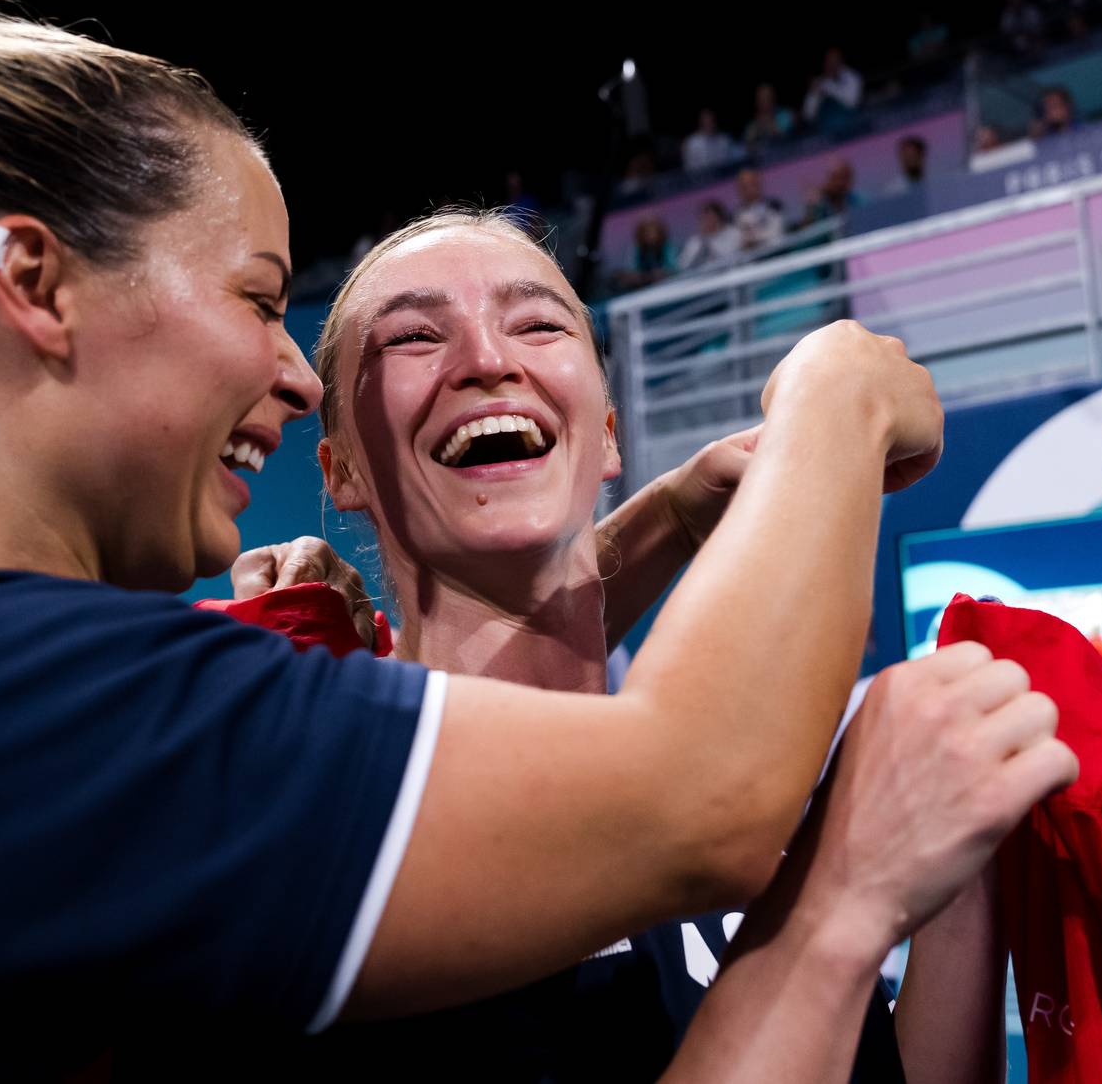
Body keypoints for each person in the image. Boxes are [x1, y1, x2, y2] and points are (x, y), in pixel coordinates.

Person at [0, 0, 1048, 1077]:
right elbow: (704, 791)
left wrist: (671, 518)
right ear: (35, 284)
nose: (294, 362)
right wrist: (837, 393)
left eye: (542, 321)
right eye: (263, 299)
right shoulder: (12, 706)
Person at [287, 209, 1047, 1080]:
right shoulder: (339, 836)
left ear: (608, 432)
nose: (491, 361)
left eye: (538, 323)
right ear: (340, 468)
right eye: (416, 336)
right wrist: (837, 399)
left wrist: (961, 873)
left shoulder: (760, 794)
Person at [802, 48, 864, 134]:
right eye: (829, 61)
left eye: (835, 60)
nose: (832, 64)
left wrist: (828, 86)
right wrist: (813, 94)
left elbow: (852, 102)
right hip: (825, 133)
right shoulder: (819, 82)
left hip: (851, 128)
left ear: (841, 61)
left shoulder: (852, 76)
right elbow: (808, 115)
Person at [613, 214, 673, 291]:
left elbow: (673, 268)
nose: (650, 236)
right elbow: (632, 269)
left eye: (653, 232)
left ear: (659, 232)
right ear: (641, 234)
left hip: (667, 286)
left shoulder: (666, 247)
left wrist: (661, 273)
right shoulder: (637, 249)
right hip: (643, 288)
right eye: (647, 233)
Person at [677, 201, 742, 271]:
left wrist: (709, 242)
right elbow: (683, 265)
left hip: (731, 272)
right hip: (703, 277)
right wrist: (703, 240)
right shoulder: (695, 241)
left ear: (719, 217)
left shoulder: (733, 232)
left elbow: (731, 257)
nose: (707, 221)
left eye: (710, 217)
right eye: (703, 217)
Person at [733, 168, 786, 252]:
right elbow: (740, 243)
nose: (749, 189)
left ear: (758, 184)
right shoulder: (736, 216)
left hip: (777, 254)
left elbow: (776, 236)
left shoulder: (774, 205)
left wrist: (754, 240)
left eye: (752, 184)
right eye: (744, 186)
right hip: (753, 261)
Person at [805, 158, 864, 224]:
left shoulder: (860, 201)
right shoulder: (819, 206)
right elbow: (811, 230)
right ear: (828, 179)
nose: (839, 183)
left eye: (843, 178)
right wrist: (811, 208)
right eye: (834, 178)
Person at [742, 84, 793, 156]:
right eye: (761, 99)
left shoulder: (785, 115)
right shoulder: (752, 125)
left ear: (773, 98)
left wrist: (768, 122)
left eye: (767, 97)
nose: (765, 101)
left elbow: (784, 136)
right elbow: (748, 148)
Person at [682, 109, 739, 173]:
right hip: (701, 179)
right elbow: (689, 168)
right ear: (701, 123)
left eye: (711, 121)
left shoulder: (724, 140)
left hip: (724, 177)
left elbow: (734, 161)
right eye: (706, 121)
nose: (709, 124)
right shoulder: (692, 143)